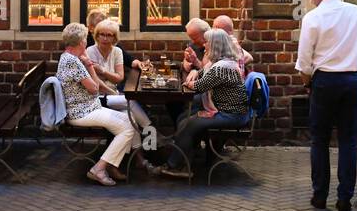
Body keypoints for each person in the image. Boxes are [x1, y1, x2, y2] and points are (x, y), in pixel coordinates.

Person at [296, 0, 357, 211]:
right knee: (348, 140)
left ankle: (320, 195)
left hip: (324, 81)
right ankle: (345, 199)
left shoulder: (313, 17)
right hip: (352, 80)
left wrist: (307, 82)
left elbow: (305, 60)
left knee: (319, 139)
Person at [154, 30, 253, 179]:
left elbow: (200, 86)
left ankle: (174, 165)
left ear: (215, 45)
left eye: (207, 42)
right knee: (183, 119)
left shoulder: (223, 67)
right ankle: (185, 162)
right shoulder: (221, 63)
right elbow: (203, 74)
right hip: (225, 110)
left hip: (231, 115)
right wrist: (196, 71)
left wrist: (187, 83)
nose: (204, 45)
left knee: (188, 123)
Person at [58, 21, 138, 187]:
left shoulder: (68, 57)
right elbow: (94, 88)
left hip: (88, 107)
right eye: (85, 38)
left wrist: (87, 65)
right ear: (81, 42)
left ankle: (109, 166)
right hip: (82, 112)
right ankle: (100, 169)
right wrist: (90, 66)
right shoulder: (74, 61)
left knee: (130, 121)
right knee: (128, 128)